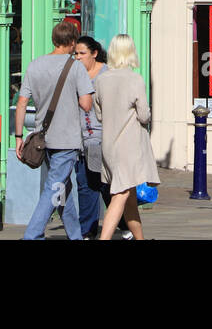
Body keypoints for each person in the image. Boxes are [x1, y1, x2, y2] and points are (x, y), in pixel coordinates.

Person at [15, 21, 95, 241]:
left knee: (62, 189)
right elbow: (86, 104)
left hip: (43, 138)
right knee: (54, 188)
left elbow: (22, 103)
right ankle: (31, 235)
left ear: (53, 40)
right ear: (71, 43)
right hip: (67, 140)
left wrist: (19, 136)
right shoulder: (76, 67)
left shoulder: (34, 65)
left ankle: (75, 235)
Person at [94, 33, 160, 240]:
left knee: (129, 197)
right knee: (121, 195)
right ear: (130, 51)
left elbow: (98, 115)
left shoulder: (101, 79)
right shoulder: (134, 79)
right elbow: (144, 115)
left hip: (108, 145)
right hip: (128, 146)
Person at [73, 35, 110, 240]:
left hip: (99, 138)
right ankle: (87, 230)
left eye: (82, 53)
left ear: (94, 53)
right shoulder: (76, 75)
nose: (78, 57)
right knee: (85, 184)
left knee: (102, 184)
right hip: (80, 140)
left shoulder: (105, 75)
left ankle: (122, 223)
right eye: (76, 53)